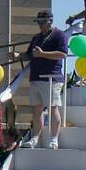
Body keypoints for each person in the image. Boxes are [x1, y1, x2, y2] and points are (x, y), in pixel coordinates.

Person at [20, 10, 68, 148]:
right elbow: (30, 55)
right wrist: (18, 55)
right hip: (35, 77)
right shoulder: (36, 38)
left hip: (51, 77)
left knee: (53, 108)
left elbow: (62, 54)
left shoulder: (60, 35)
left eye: (43, 22)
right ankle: (35, 138)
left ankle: (54, 138)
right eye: (38, 22)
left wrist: (42, 54)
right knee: (36, 110)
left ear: (50, 21)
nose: (40, 25)